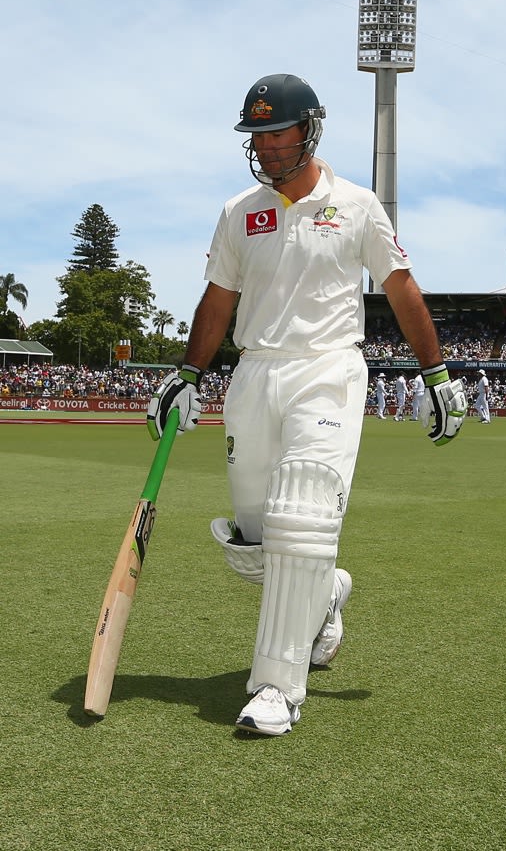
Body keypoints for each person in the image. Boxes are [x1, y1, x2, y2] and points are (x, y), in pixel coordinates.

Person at [146, 72, 467, 737]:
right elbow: (217, 300)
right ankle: (324, 594)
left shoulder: (355, 204)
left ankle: (275, 689)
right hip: (255, 374)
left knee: (302, 518)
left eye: (275, 132)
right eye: (255, 136)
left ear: (309, 129)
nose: (264, 147)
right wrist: (186, 374)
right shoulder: (240, 211)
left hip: (328, 370)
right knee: (256, 545)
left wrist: (434, 373)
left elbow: (401, 288)